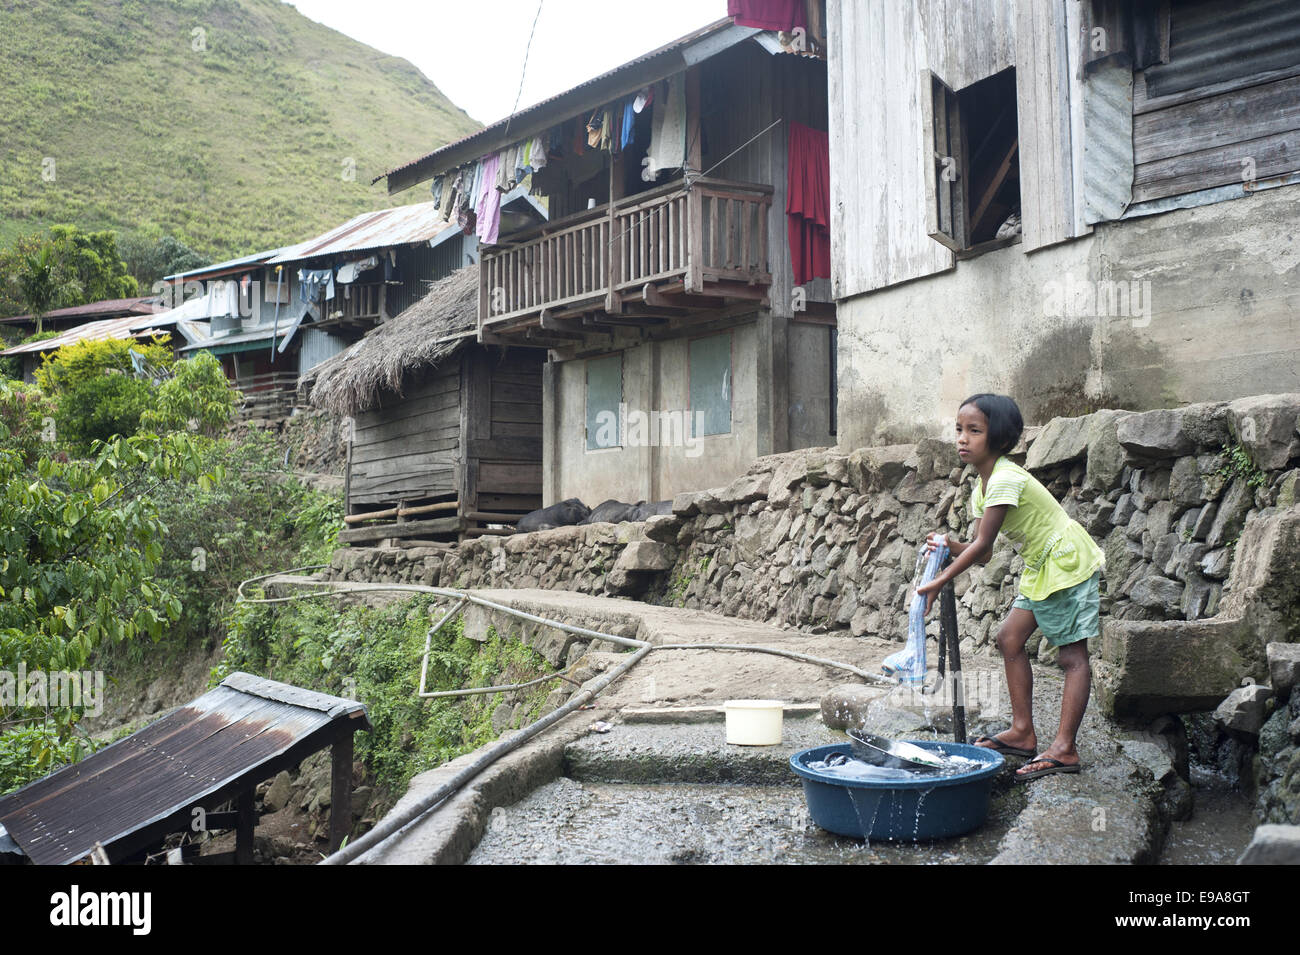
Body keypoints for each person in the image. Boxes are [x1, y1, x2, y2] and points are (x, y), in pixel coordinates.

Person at [914, 393, 1105, 781]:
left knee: (1072, 657)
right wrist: (947, 545)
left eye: (974, 431)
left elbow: (983, 546)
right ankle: (1022, 733)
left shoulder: (1004, 478)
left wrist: (939, 580)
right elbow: (980, 553)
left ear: (999, 440)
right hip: (1043, 565)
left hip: (1064, 561)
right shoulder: (983, 488)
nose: (962, 439)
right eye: (959, 430)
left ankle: (1065, 749)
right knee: (1009, 639)